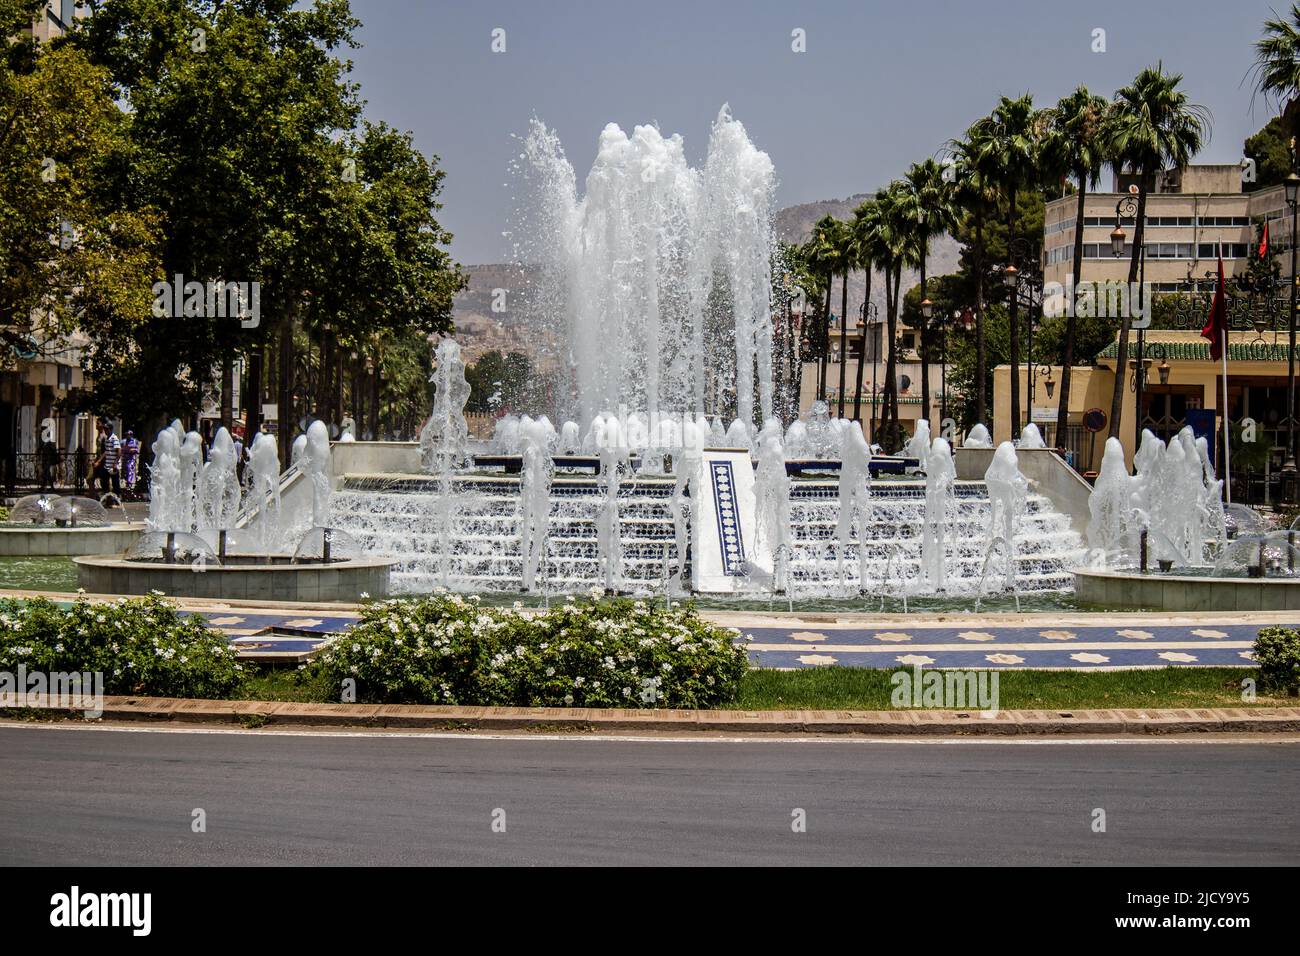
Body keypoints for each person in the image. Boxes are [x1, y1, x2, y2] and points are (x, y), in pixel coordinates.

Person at [93, 421, 122, 499]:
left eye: (107, 429)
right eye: (105, 429)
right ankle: (107, 497)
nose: (105, 431)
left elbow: (119, 451)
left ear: (111, 429)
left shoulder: (114, 438)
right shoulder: (107, 439)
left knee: (115, 484)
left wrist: (115, 463)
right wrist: (99, 461)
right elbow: (106, 451)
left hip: (113, 466)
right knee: (103, 480)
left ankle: (117, 500)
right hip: (107, 465)